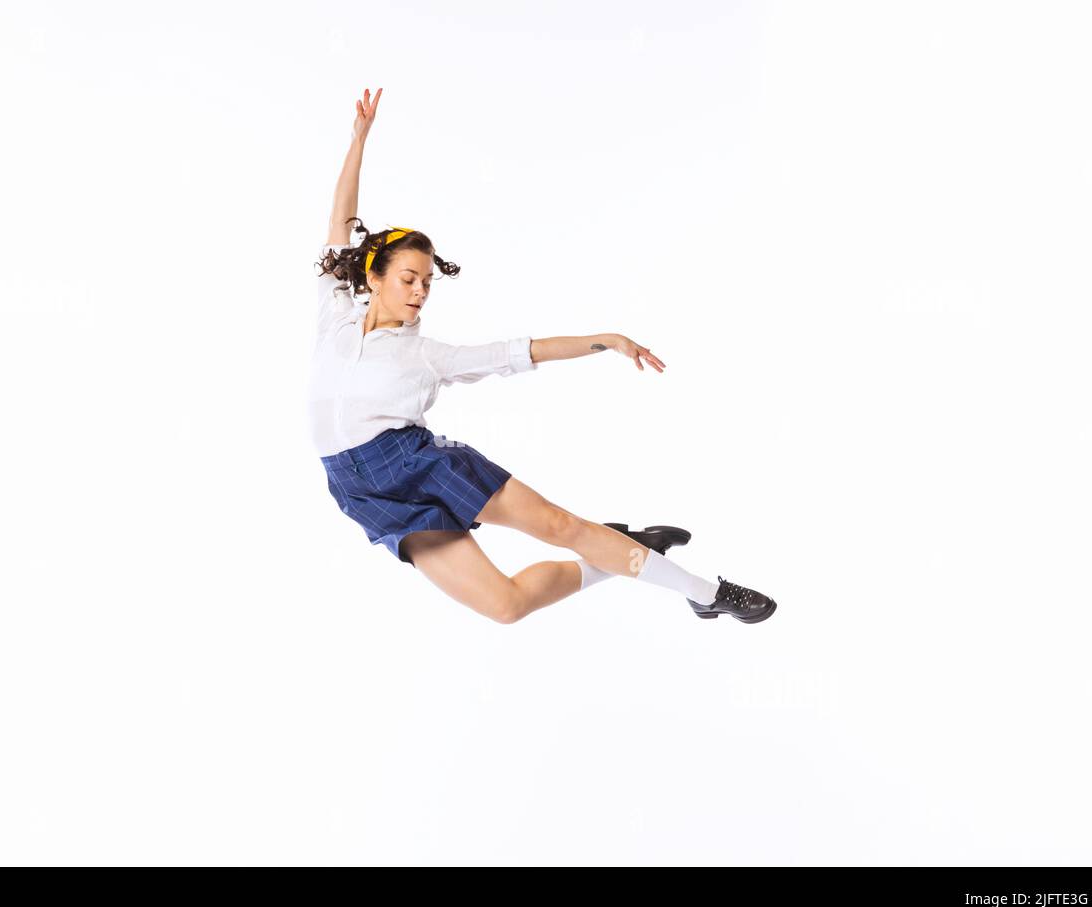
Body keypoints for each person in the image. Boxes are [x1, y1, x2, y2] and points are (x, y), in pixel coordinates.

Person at [308, 87, 776, 626]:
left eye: (428, 283)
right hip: (359, 488)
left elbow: (521, 353)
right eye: (408, 279)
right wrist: (358, 140)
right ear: (374, 276)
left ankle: (706, 589)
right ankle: (622, 550)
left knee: (559, 524)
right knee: (505, 606)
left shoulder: (428, 357)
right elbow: (340, 222)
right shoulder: (335, 315)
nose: (419, 291)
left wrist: (603, 340)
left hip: (414, 461)